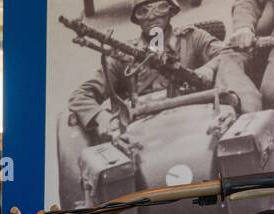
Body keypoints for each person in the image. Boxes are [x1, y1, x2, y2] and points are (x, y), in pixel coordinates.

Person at [67, 0, 262, 145]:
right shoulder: (122, 56)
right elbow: (81, 95)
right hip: (144, 138)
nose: (152, 16)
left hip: (200, 128)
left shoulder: (192, 38)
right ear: (136, 20)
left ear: (171, 10)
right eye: (143, 11)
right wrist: (100, 117)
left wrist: (208, 69)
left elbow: (230, 54)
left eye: (159, 6)